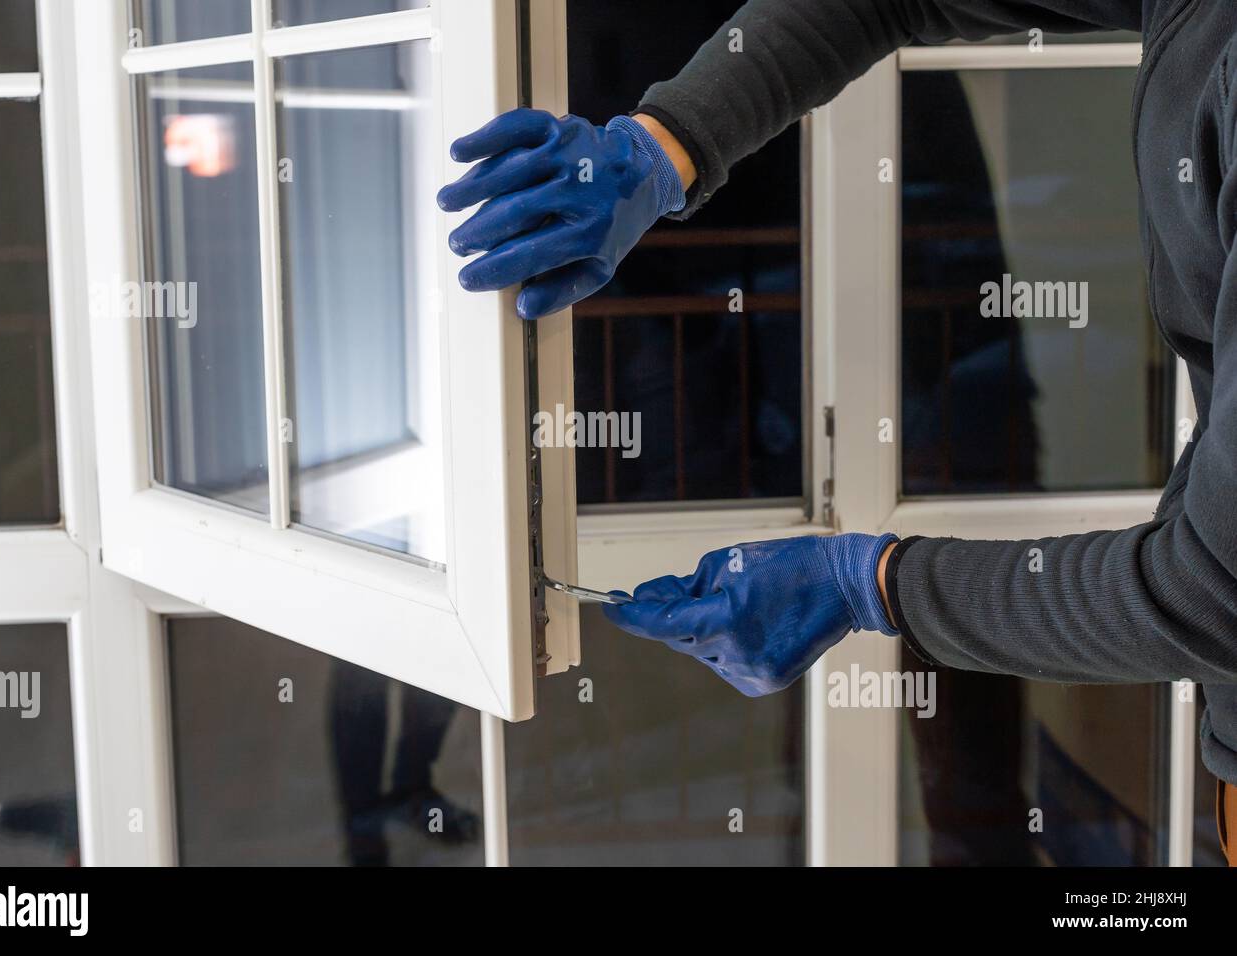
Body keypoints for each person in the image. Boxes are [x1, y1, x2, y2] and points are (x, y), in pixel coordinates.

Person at [437, 0, 1237, 865]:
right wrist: (663, 143)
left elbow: (1216, 591)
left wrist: (872, 584)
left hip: (936, 303)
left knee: (972, 774)